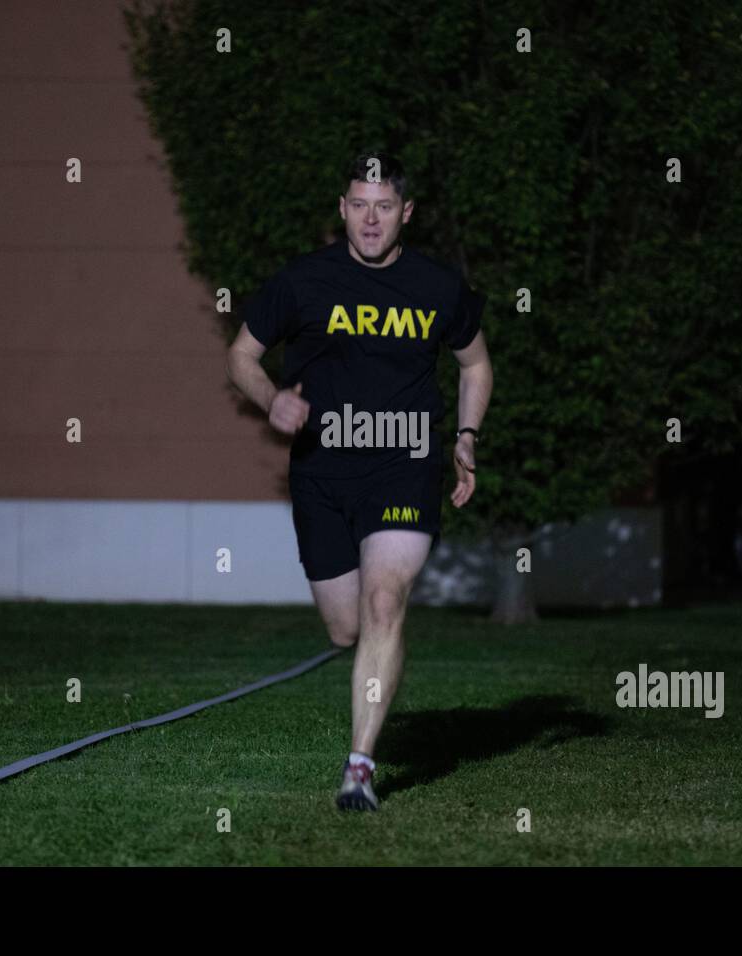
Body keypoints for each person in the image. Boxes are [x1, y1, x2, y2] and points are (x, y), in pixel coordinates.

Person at [226, 152, 494, 810]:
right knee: (346, 629)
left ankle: (359, 770)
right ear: (342, 210)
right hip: (323, 472)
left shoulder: (437, 286)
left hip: (404, 464)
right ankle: (370, 677)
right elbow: (242, 356)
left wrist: (464, 439)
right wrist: (270, 400)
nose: (370, 219)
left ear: (405, 213)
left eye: (383, 207)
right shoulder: (303, 282)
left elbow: (477, 365)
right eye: (358, 205)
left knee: (384, 604)